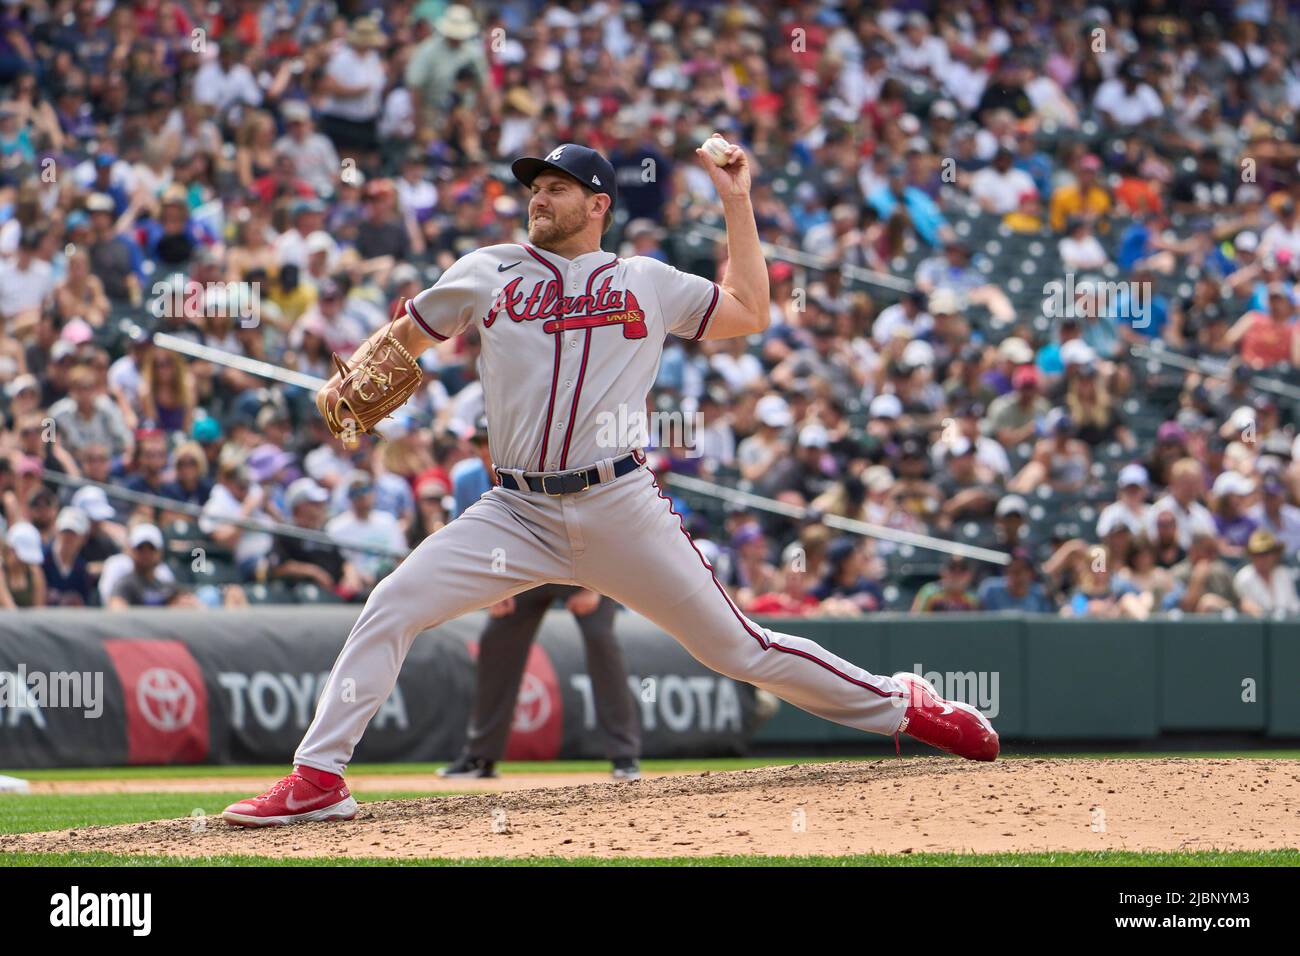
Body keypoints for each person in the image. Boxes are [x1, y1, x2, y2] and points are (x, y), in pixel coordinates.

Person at [222, 140, 997, 827]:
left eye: (556, 186)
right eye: (534, 185)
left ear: (597, 204)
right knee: (392, 604)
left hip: (619, 503)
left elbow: (752, 312)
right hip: (515, 511)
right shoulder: (485, 270)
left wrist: (736, 201)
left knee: (741, 649)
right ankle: (319, 777)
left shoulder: (645, 280)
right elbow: (406, 337)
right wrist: (370, 363)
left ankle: (908, 704)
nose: (538, 196)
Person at [439, 584, 643, 782]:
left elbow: (603, 547)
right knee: (496, 638)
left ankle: (624, 756)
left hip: (583, 568)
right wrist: (498, 588)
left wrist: (593, 588)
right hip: (533, 569)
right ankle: (480, 757)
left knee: (601, 641)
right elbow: (503, 547)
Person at [1234, 530, 1300, 617]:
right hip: (1256, 627)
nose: (1263, 558)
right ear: (1251, 556)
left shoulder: (1284, 574)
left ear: (1275, 554)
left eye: (1267, 553)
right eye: (1258, 554)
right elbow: (1245, 609)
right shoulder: (1243, 578)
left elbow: (1295, 606)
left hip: (1286, 626)